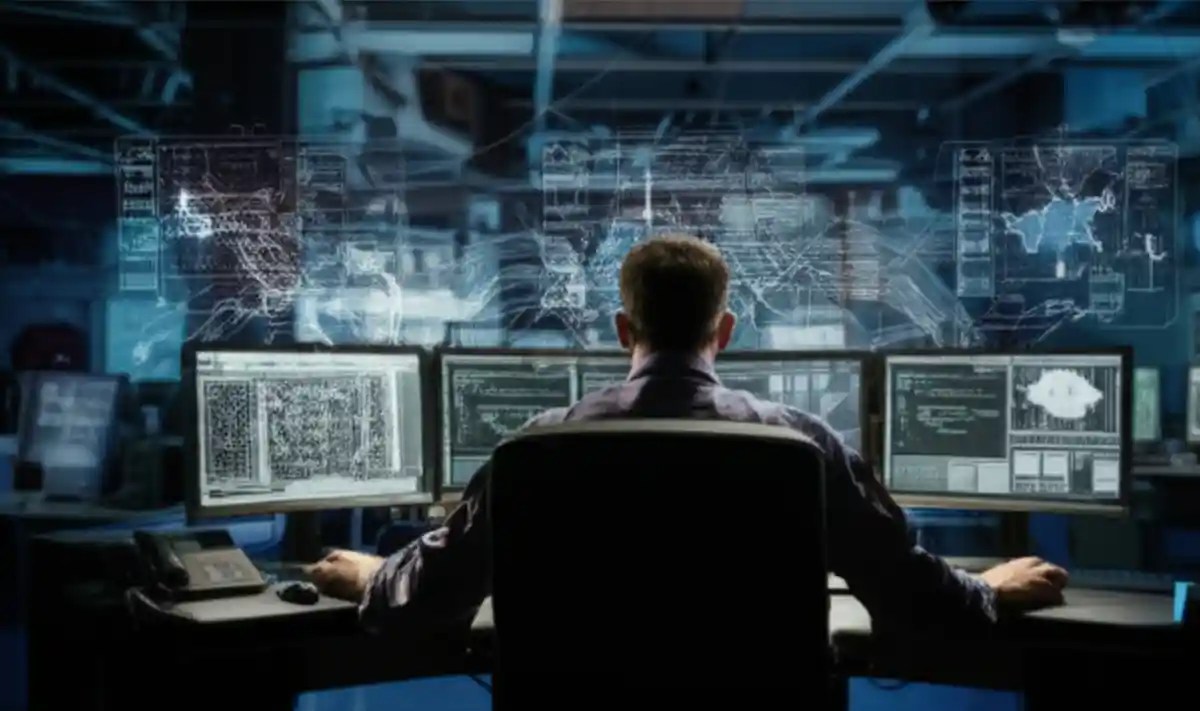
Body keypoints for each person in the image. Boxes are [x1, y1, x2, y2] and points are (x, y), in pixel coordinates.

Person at [308, 233, 1068, 637]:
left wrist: (372, 575)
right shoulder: (800, 447)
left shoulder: (537, 450)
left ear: (621, 330)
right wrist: (990, 591)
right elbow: (911, 598)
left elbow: (431, 598)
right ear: (726, 330)